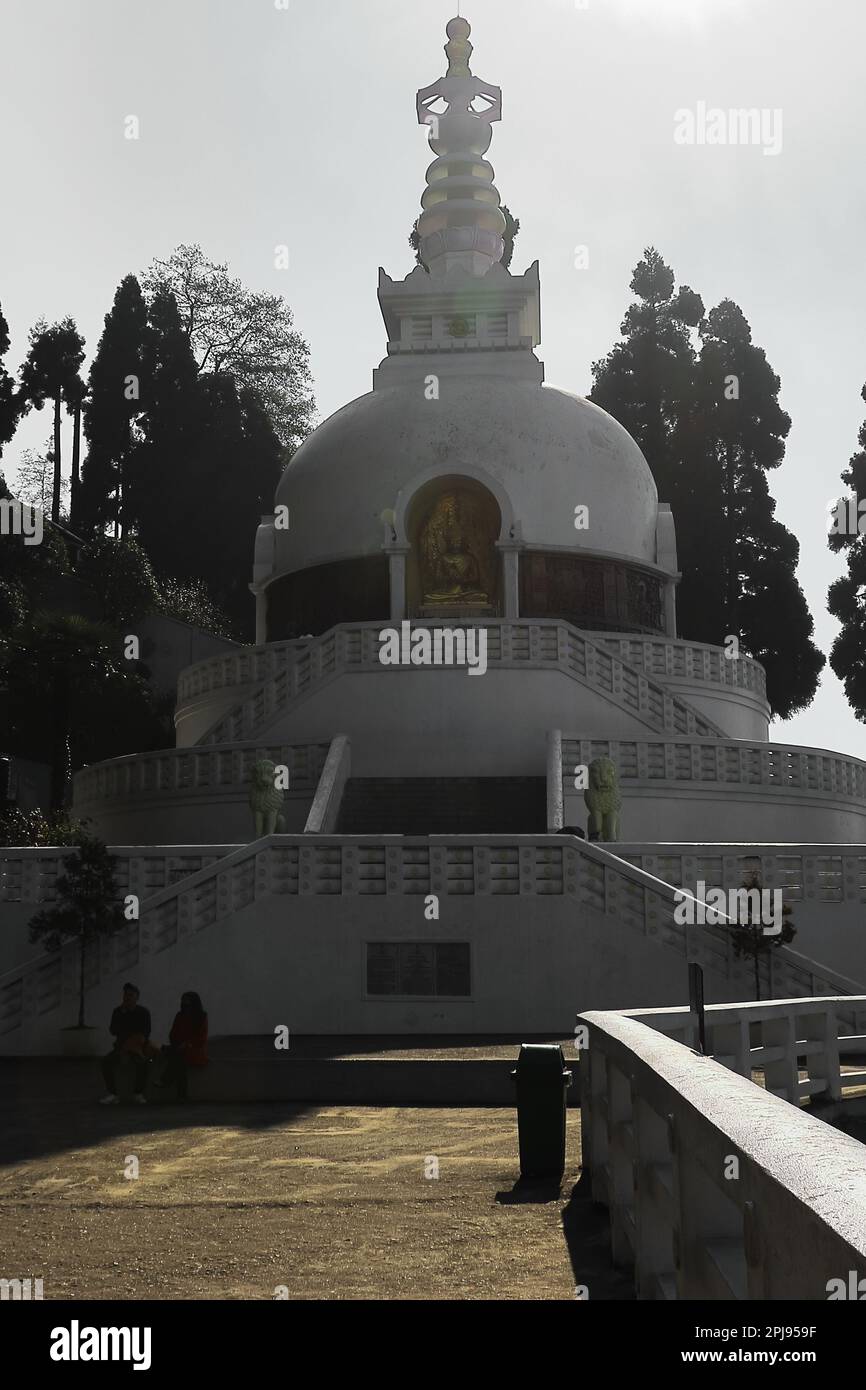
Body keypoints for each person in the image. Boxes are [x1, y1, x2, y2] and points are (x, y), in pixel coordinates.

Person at [99, 983, 152, 1105]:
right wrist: (123, 1016)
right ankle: (113, 1094)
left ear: (136, 997)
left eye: (130, 995)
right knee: (106, 1062)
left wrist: (134, 1041)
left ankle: (138, 1093)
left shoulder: (143, 1012)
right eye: (125, 995)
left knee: (144, 1063)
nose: (127, 998)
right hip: (121, 1047)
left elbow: (146, 1032)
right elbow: (113, 1030)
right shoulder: (118, 1011)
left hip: (138, 1047)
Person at [155, 992, 208, 1100]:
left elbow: (201, 1038)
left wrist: (187, 1044)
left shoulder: (202, 1016)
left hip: (194, 1050)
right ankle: (181, 1096)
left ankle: (166, 1080)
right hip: (180, 1049)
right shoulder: (179, 1015)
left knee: (178, 1057)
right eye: (183, 1000)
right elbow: (173, 1034)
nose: (184, 1003)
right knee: (179, 1061)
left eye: (187, 1000)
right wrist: (178, 1044)